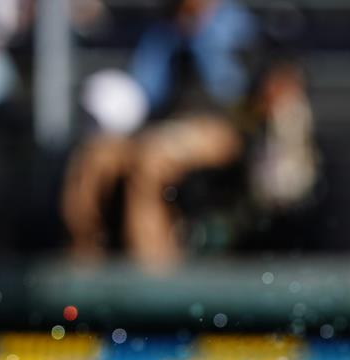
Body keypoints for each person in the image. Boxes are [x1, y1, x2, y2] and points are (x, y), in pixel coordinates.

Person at [60, 0, 259, 270]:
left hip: (218, 127)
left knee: (151, 160)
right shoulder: (161, 31)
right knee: (95, 157)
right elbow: (143, 94)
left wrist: (195, 31)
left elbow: (236, 90)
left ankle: (154, 271)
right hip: (159, 127)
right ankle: (84, 263)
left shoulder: (233, 22)